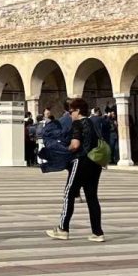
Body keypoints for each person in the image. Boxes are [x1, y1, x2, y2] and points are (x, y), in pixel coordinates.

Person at [49, 96, 107, 240]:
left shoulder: (78, 124)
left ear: (78, 111)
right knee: (92, 197)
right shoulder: (93, 123)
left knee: (69, 193)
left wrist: (65, 150)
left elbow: (75, 144)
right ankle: (97, 232)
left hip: (81, 162)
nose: (70, 114)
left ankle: (63, 228)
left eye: (71, 111)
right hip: (95, 163)